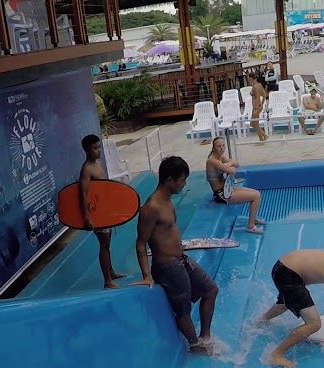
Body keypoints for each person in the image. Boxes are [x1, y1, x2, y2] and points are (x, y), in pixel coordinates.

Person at [134, 157, 220, 351]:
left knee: (211, 290)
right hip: (167, 266)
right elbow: (140, 243)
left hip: (182, 260)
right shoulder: (151, 208)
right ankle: (196, 347)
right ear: (169, 180)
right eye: (182, 180)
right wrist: (146, 275)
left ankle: (205, 337)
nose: (185, 184)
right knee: (183, 311)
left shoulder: (168, 201)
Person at [79, 135, 126, 289]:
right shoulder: (87, 169)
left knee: (107, 242)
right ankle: (107, 281)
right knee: (104, 244)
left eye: (99, 147)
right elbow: (83, 194)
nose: (99, 150)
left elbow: (103, 189)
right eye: (95, 148)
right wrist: (87, 217)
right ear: (87, 150)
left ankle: (111, 272)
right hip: (97, 213)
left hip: (105, 211)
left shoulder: (98, 164)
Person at [206, 137, 266, 234]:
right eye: (218, 146)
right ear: (213, 148)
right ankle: (250, 226)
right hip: (222, 195)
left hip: (227, 189)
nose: (221, 148)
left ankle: (253, 219)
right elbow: (233, 171)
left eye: (223, 145)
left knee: (257, 193)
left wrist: (229, 163)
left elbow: (237, 164)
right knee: (255, 197)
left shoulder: (220, 157)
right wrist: (230, 165)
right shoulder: (212, 161)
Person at [249, 73, 268, 141]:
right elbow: (264, 94)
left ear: (251, 78)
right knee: (253, 123)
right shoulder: (259, 84)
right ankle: (262, 137)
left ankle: (263, 137)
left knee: (254, 124)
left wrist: (256, 108)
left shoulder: (255, 86)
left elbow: (257, 97)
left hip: (256, 107)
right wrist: (262, 103)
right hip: (258, 106)